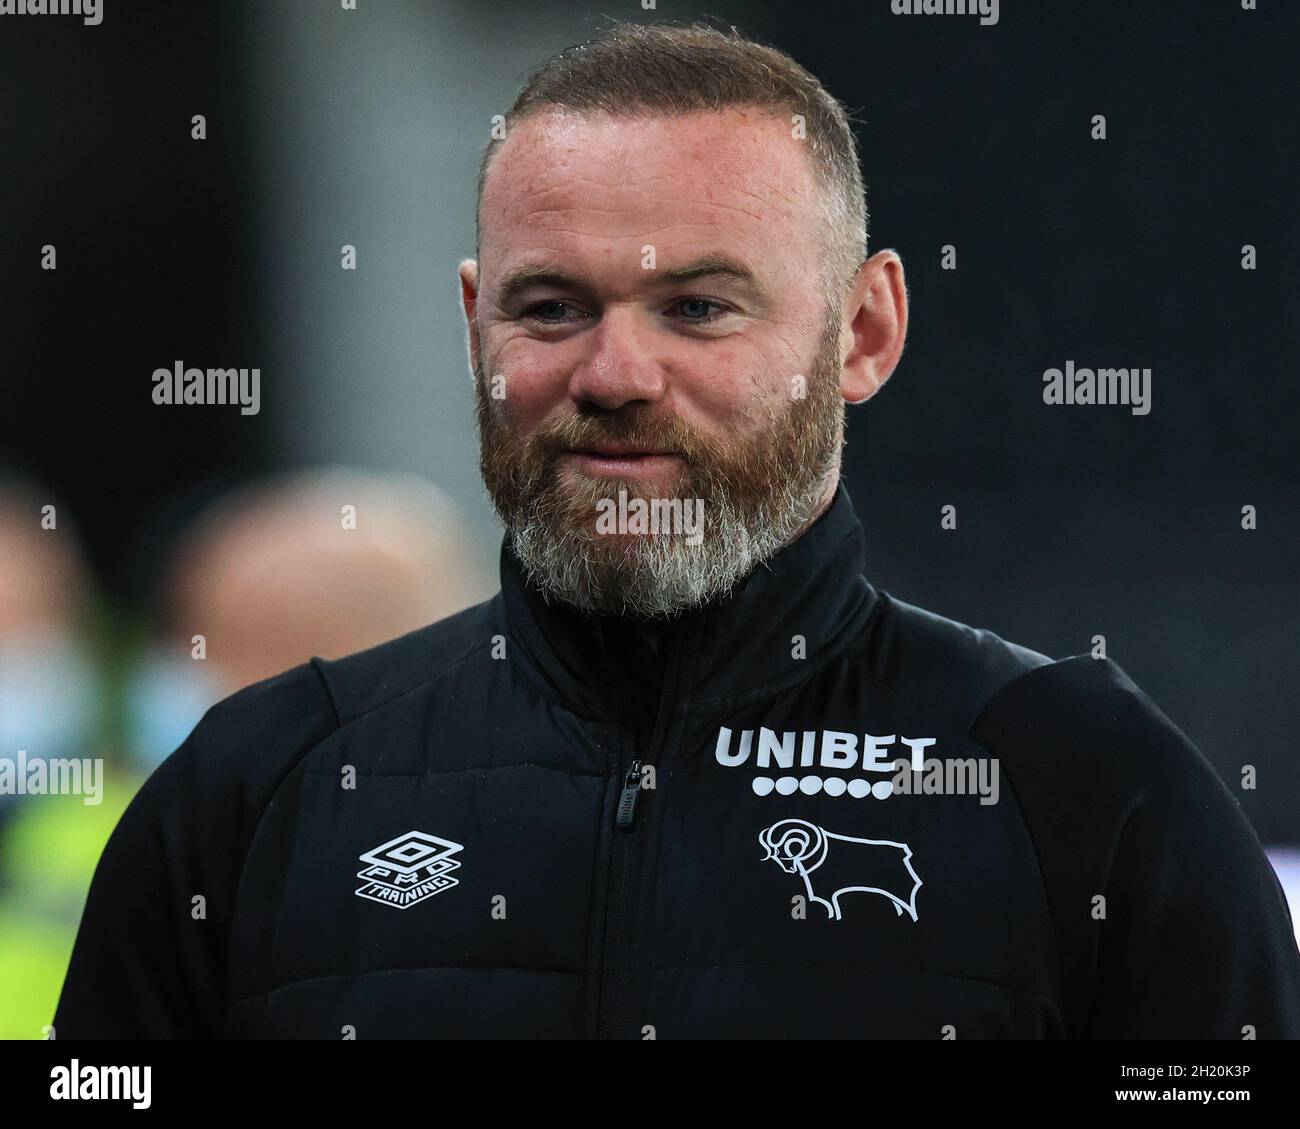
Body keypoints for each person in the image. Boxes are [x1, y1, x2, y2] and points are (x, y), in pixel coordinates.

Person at [53, 21, 1300, 1040]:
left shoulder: (1090, 790)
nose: (615, 372)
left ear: (862, 333)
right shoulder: (250, 792)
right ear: (474, 326)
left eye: (698, 306)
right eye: (551, 306)